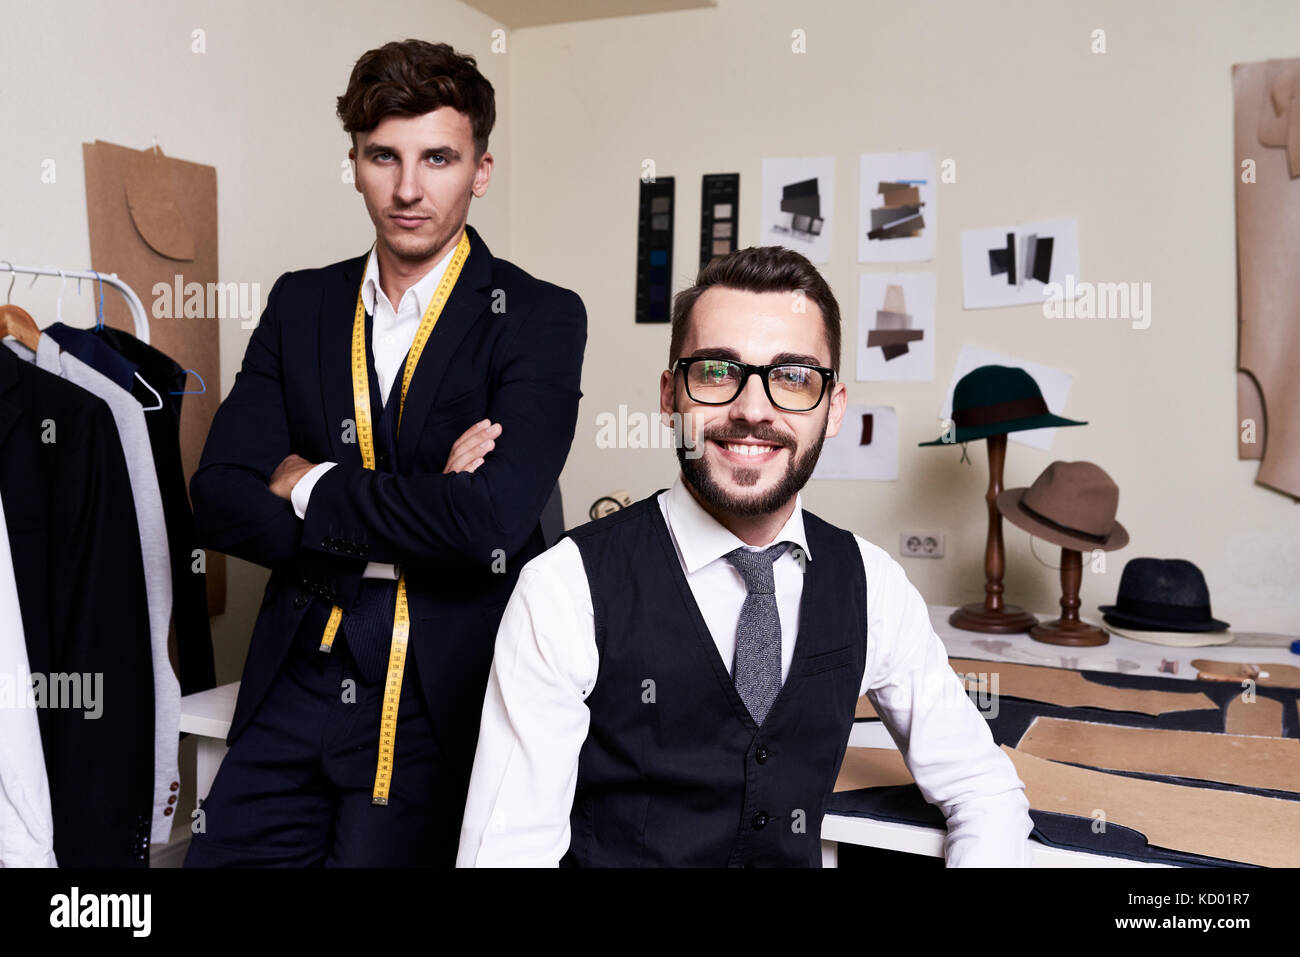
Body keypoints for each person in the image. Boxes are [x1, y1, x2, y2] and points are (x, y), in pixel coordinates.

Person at [457, 245, 1031, 867]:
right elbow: (506, 854)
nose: (752, 410)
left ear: (833, 408)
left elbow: (984, 789)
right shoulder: (563, 589)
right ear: (670, 396)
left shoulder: (873, 585)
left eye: (792, 377)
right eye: (716, 372)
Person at [185, 39, 586, 866]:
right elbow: (219, 496)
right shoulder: (301, 304)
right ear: (356, 163)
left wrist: (309, 481)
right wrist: (421, 500)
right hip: (296, 675)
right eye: (384, 157)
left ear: (480, 169)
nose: (408, 189)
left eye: (438, 157)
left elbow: (487, 524)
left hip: (435, 701)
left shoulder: (539, 317)